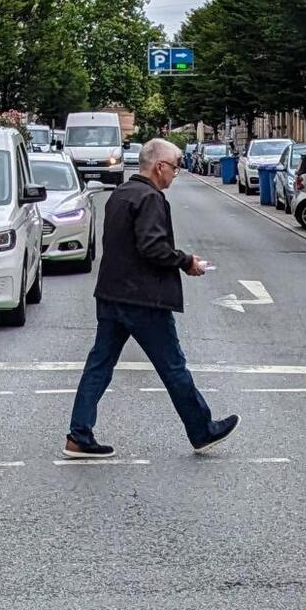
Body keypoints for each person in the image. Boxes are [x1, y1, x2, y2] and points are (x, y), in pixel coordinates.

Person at [65, 139, 239, 458]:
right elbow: (152, 247)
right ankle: (202, 430)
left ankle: (79, 434)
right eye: (174, 166)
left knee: (99, 364)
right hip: (144, 299)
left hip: (110, 294)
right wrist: (187, 262)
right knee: (173, 366)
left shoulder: (120, 194)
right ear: (159, 167)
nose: (176, 173)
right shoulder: (150, 198)